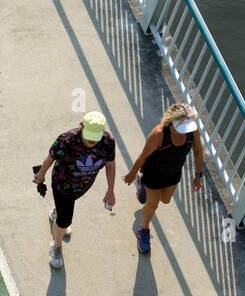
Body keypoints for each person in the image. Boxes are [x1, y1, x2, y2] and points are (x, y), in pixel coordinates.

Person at [33, 111, 117, 270]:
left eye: (95, 136)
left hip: (83, 185)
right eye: (89, 135)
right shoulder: (66, 140)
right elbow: (51, 157)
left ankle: (56, 214)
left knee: (63, 213)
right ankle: (56, 245)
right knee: (65, 220)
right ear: (82, 126)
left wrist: (110, 189)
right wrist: (41, 175)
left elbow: (110, 164)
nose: (92, 140)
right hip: (62, 185)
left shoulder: (107, 142)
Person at [122, 103, 204, 255]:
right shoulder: (158, 134)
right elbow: (143, 156)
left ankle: (142, 182)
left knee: (165, 200)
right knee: (152, 205)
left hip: (173, 173)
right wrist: (132, 173)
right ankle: (143, 231)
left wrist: (198, 175)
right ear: (170, 122)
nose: (185, 132)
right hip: (154, 173)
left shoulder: (193, 131)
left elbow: (198, 151)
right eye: (181, 128)